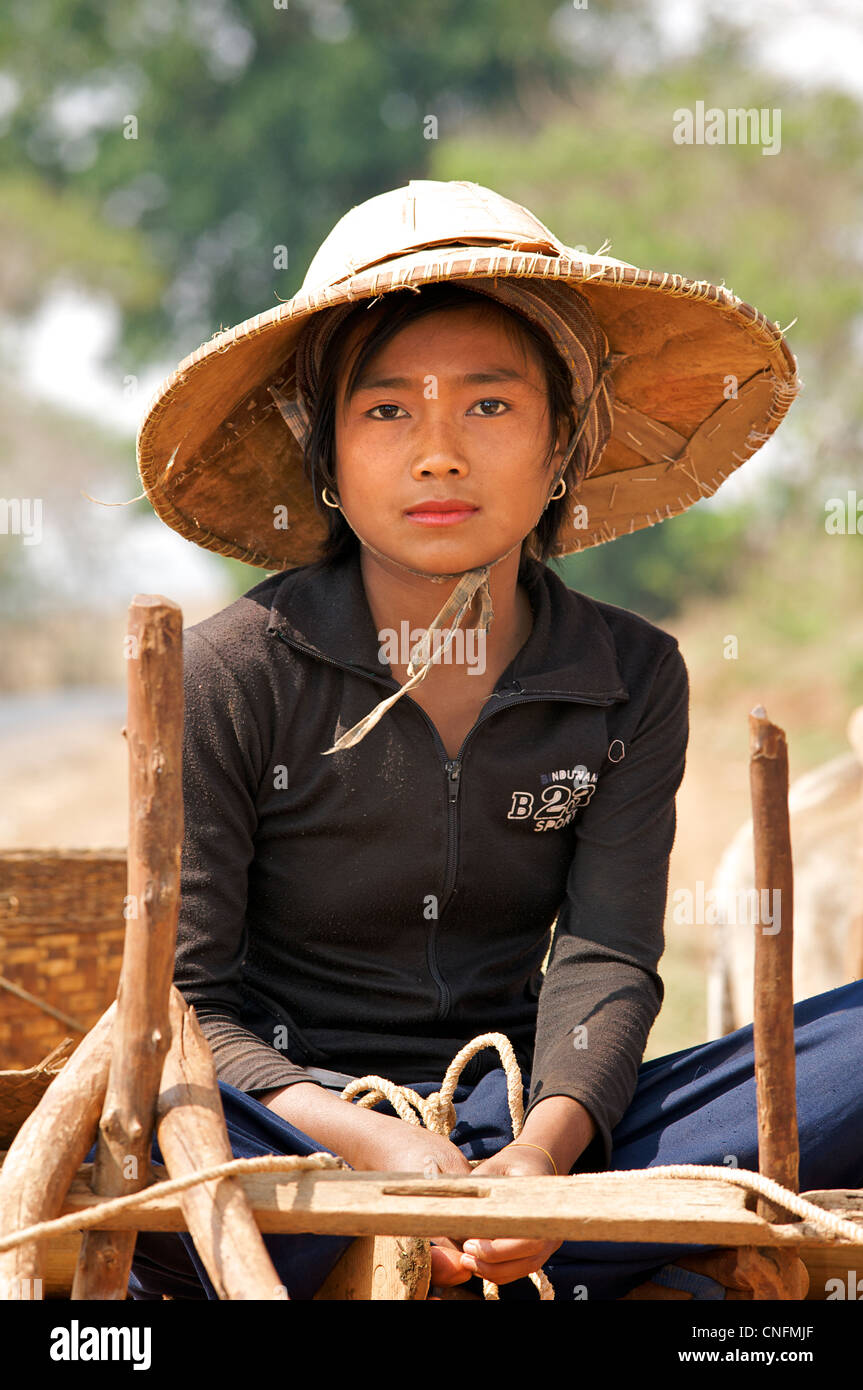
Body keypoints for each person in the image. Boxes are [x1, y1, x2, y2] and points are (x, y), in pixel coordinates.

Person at [126, 180, 863, 1300]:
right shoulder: (234, 667)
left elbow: (607, 958)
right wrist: (375, 1145)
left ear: (558, 439)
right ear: (324, 450)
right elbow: (191, 1007)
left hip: (525, 1116)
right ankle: (586, 1246)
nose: (436, 454)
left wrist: (538, 1164)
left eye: (486, 406)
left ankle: (557, 1234)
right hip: (281, 1128)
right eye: (385, 411)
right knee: (156, 1146)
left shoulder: (627, 675)